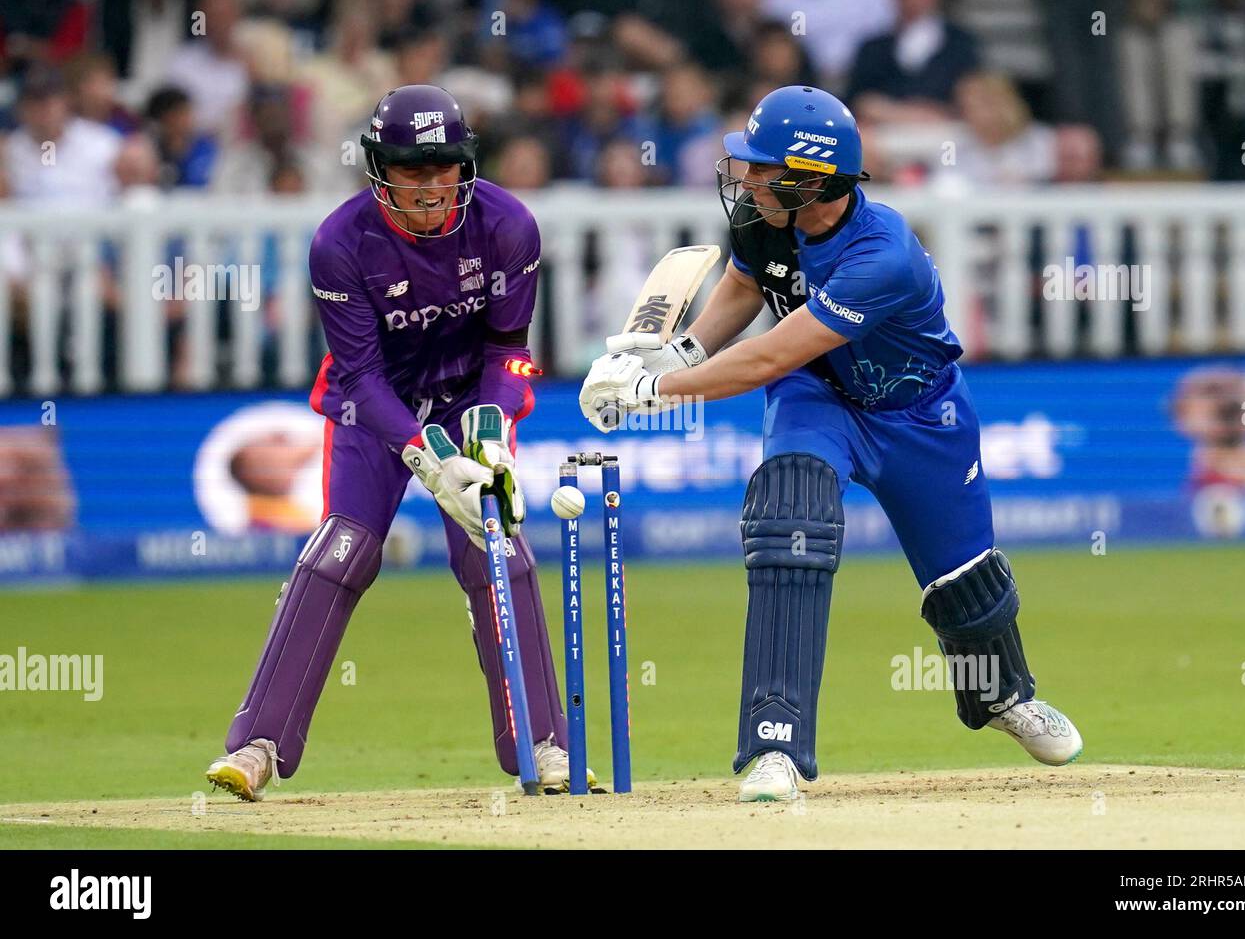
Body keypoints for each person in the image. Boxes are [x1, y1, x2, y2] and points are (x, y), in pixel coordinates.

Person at [579, 85, 1084, 802]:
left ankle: (1004, 697)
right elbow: (745, 288)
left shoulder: (883, 255)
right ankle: (775, 747)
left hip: (919, 414)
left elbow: (765, 357)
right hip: (817, 398)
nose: (746, 181)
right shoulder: (764, 217)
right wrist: (684, 350)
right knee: (790, 519)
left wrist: (649, 393)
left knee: (966, 590)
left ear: (812, 180)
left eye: (762, 168)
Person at [205, 85, 583, 800]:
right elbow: (362, 375)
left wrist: (495, 440)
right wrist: (422, 457)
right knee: (344, 549)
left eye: (446, 165)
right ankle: (258, 743)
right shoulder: (340, 244)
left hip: (470, 400)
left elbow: (510, 352)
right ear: (379, 168)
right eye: (413, 168)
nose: (433, 184)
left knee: (496, 542)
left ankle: (543, 744)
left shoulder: (508, 226)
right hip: (373, 412)